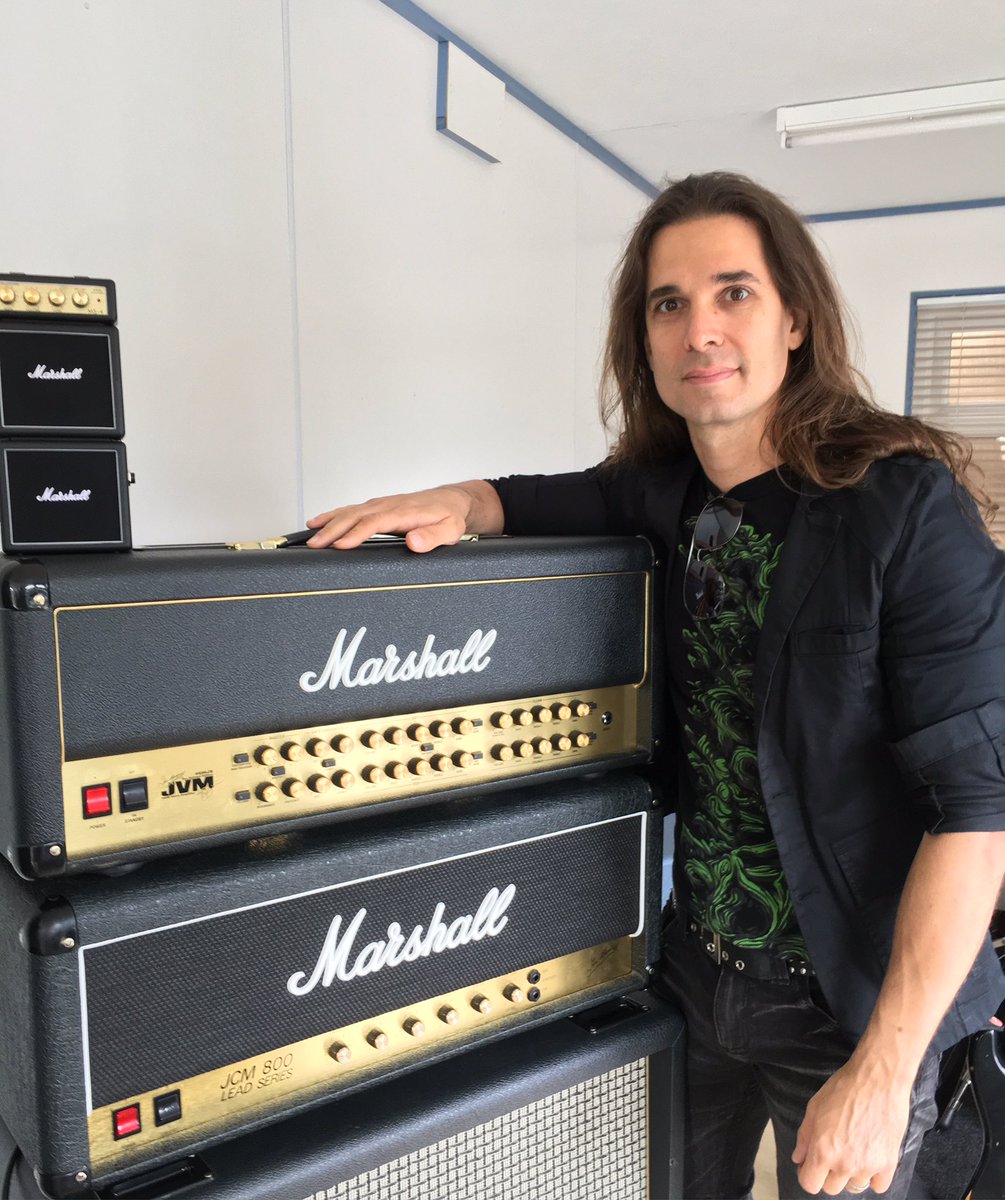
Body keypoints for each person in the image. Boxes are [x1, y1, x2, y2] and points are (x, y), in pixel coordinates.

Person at [305, 172, 1005, 1200]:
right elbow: (525, 500)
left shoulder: (900, 506)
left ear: (796, 319)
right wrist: (454, 499)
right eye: (668, 303)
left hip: (856, 1004)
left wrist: (884, 1071)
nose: (698, 330)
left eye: (734, 293)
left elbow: (975, 815)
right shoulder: (657, 495)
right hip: (691, 981)